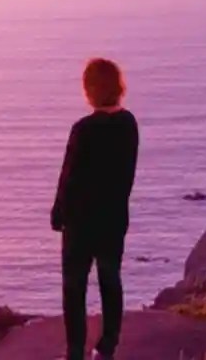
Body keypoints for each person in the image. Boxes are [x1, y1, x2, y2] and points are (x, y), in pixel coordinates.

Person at [52, 58, 140, 360]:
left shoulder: (84, 129)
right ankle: (107, 346)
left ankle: (75, 351)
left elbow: (70, 176)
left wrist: (58, 212)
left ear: (91, 88)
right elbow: (126, 173)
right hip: (114, 218)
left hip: (80, 222)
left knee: (74, 288)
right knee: (110, 280)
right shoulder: (129, 125)